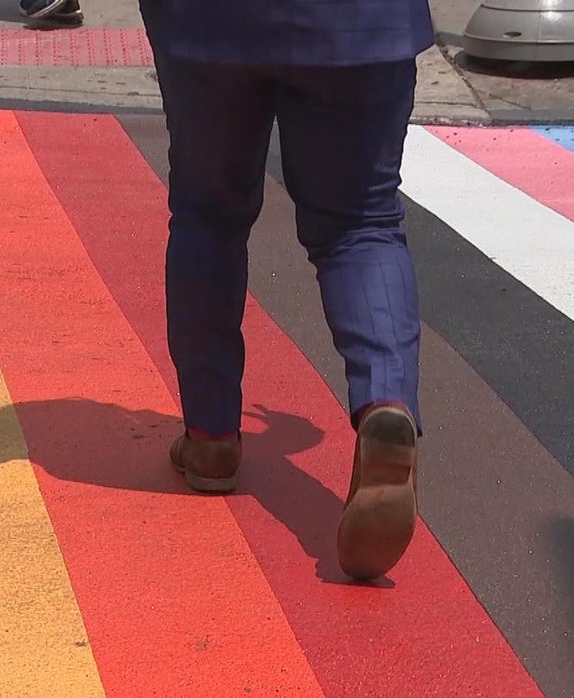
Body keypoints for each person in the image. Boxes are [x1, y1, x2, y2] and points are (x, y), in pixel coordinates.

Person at [145, 0, 434, 581]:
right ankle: (384, 403)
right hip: (359, 22)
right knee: (362, 222)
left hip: (208, 22)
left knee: (208, 215)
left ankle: (210, 436)